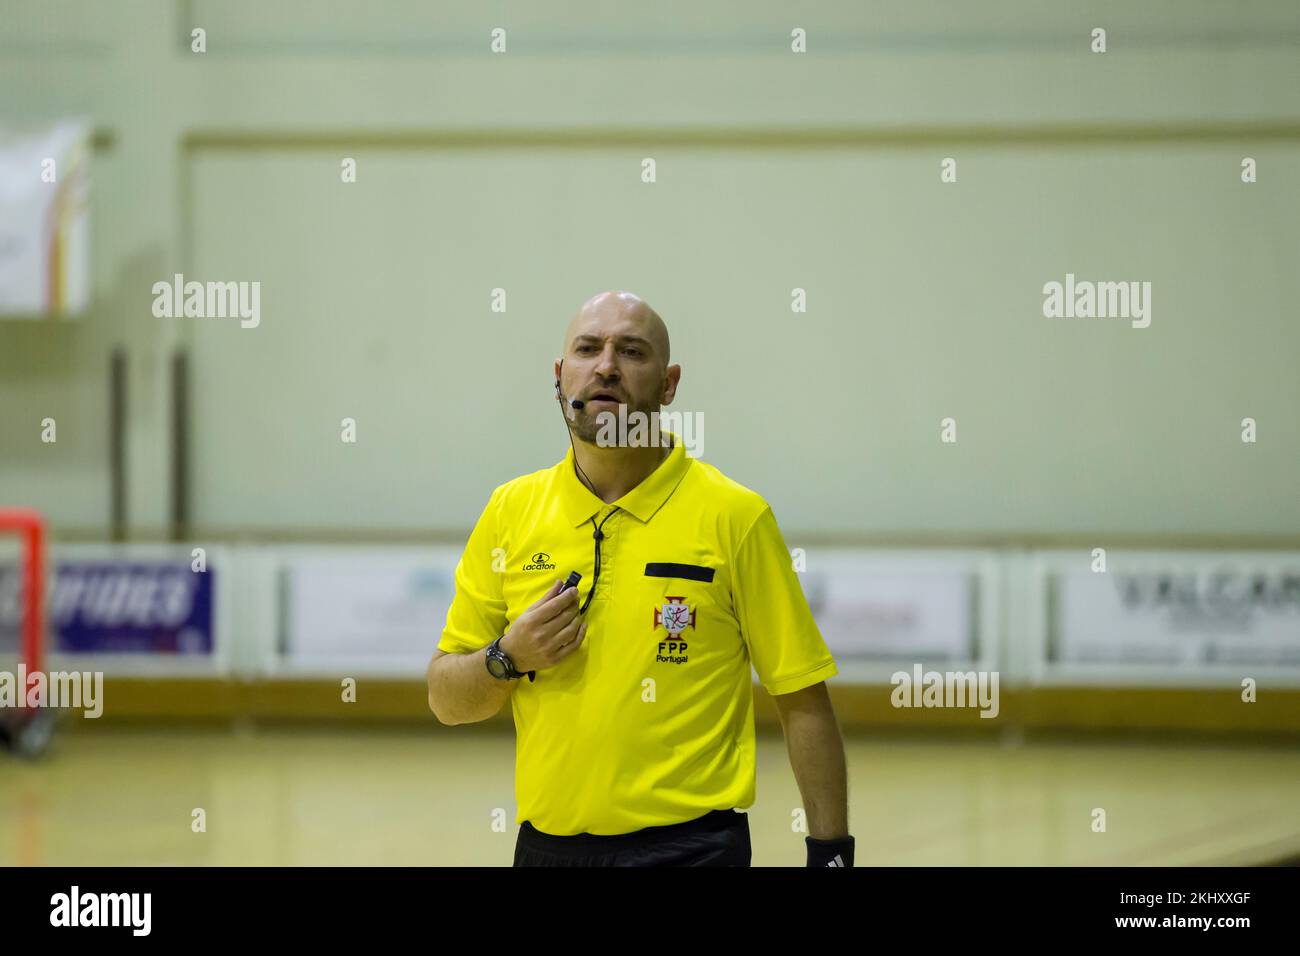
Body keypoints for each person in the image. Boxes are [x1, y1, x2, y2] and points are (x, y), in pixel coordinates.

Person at [427, 291, 854, 867]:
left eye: (631, 352)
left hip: (693, 851)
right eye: (587, 349)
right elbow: (447, 700)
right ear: (560, 376)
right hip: (546, 850)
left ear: (669, 383)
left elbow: (802, 698)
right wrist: (508, 656)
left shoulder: (734, 516)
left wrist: (832, 857)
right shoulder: (510, 512)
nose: (605, 366)